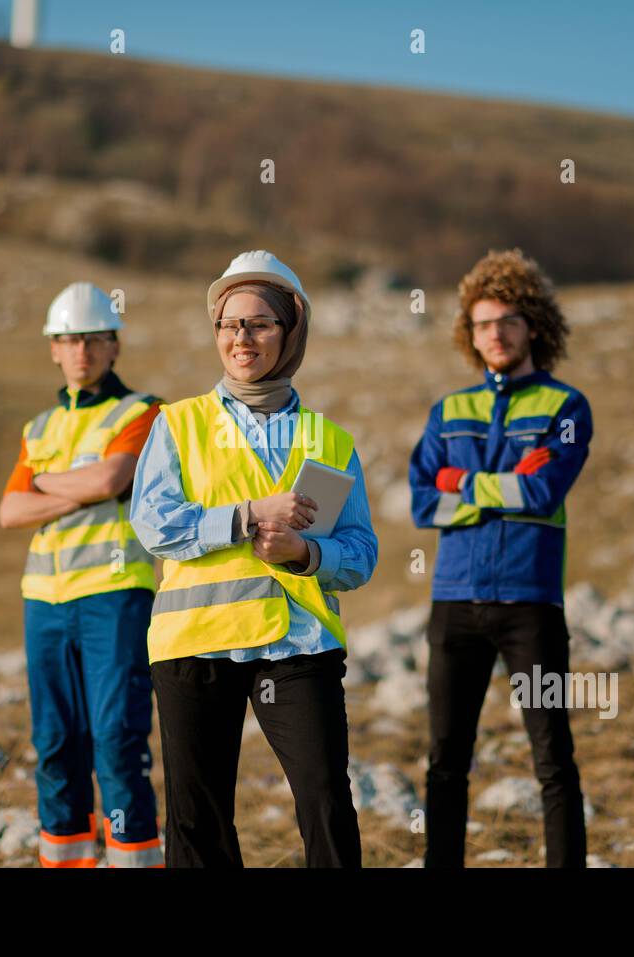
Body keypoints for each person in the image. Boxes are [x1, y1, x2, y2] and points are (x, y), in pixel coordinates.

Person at [130, 250, 378, 867]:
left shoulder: (329, 440)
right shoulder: (178, 425)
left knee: (325, 803)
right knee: (198, 818)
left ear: (289, 332)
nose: (242, 338)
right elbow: (153, 527)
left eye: (259, 323)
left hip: (298, 646)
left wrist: (305, 553)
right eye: (228, 324)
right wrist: (246, 517)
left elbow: (360, 552)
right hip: (197, 642)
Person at [409, 248, 594, 868]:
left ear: (533, 325)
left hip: (530, 606)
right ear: (470, 333)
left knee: (552, 759)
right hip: (454, 604)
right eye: (482, 323)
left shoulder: (566, 410)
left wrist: (459, 482)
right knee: (444, 761)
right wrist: (500, 483)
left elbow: (543, 491)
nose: (494, 333)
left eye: (507, 320)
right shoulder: (447, 410)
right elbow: (418, 502)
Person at [0, 281, 164, 867]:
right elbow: (9, 511)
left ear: (114, 345)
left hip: (115, 597)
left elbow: (110, 481)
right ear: (53, 348)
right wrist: (75, 487)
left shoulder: (142, 412)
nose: (81, 351)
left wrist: (45, 483)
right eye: (68, 340)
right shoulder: (38, 427)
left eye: (93, 339)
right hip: (44, 601)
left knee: (117, 740)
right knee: (55, 745)